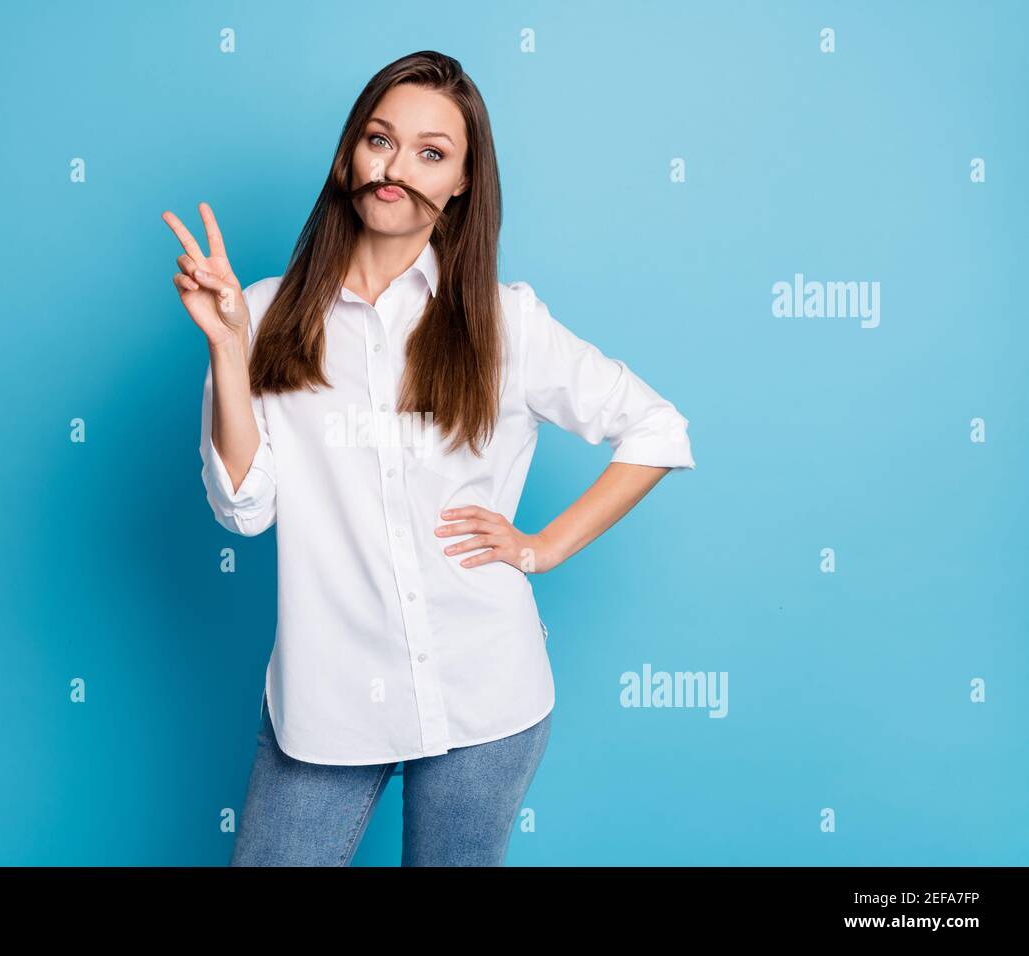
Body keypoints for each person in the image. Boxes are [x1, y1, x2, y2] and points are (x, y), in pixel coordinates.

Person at [163, 50, 695, 866]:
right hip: (328, 696)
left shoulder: (502, 322)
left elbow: (657, 427)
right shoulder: (258, 313)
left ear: (462, 186)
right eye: (380, 140)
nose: (397, 168)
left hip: (485, 694)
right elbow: (245, 511)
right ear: (348, 157)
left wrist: (541, 547)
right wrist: (229, 352)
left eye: (432, 153)